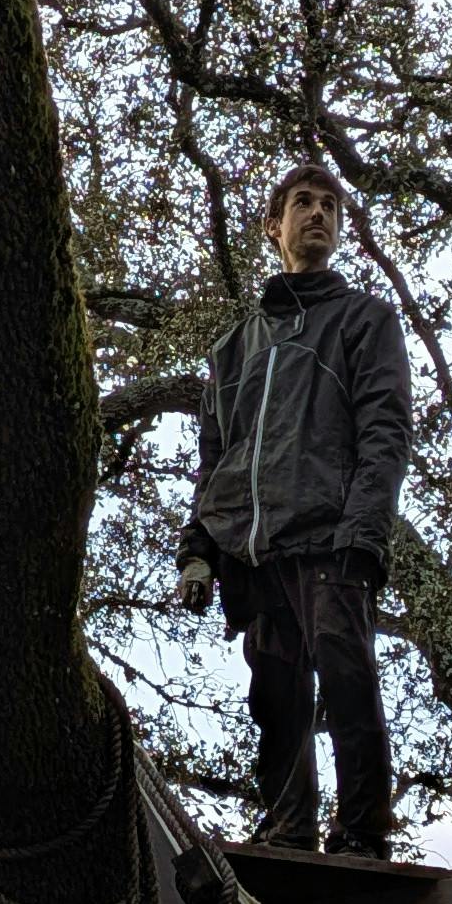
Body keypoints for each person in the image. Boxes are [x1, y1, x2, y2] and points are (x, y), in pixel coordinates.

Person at [176, 164, 411, 859]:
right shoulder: (233, 345)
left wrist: (363, 534)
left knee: (346, 678)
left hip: (332, 536)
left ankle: (362, 834)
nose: (319, 214)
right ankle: (288, 833)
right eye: (304, 203)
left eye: (331, 206)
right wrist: (197, 550)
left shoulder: (365, 320)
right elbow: (216, 463)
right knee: (276, 702)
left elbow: (386, 431)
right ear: (273, 226)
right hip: (255, 552)